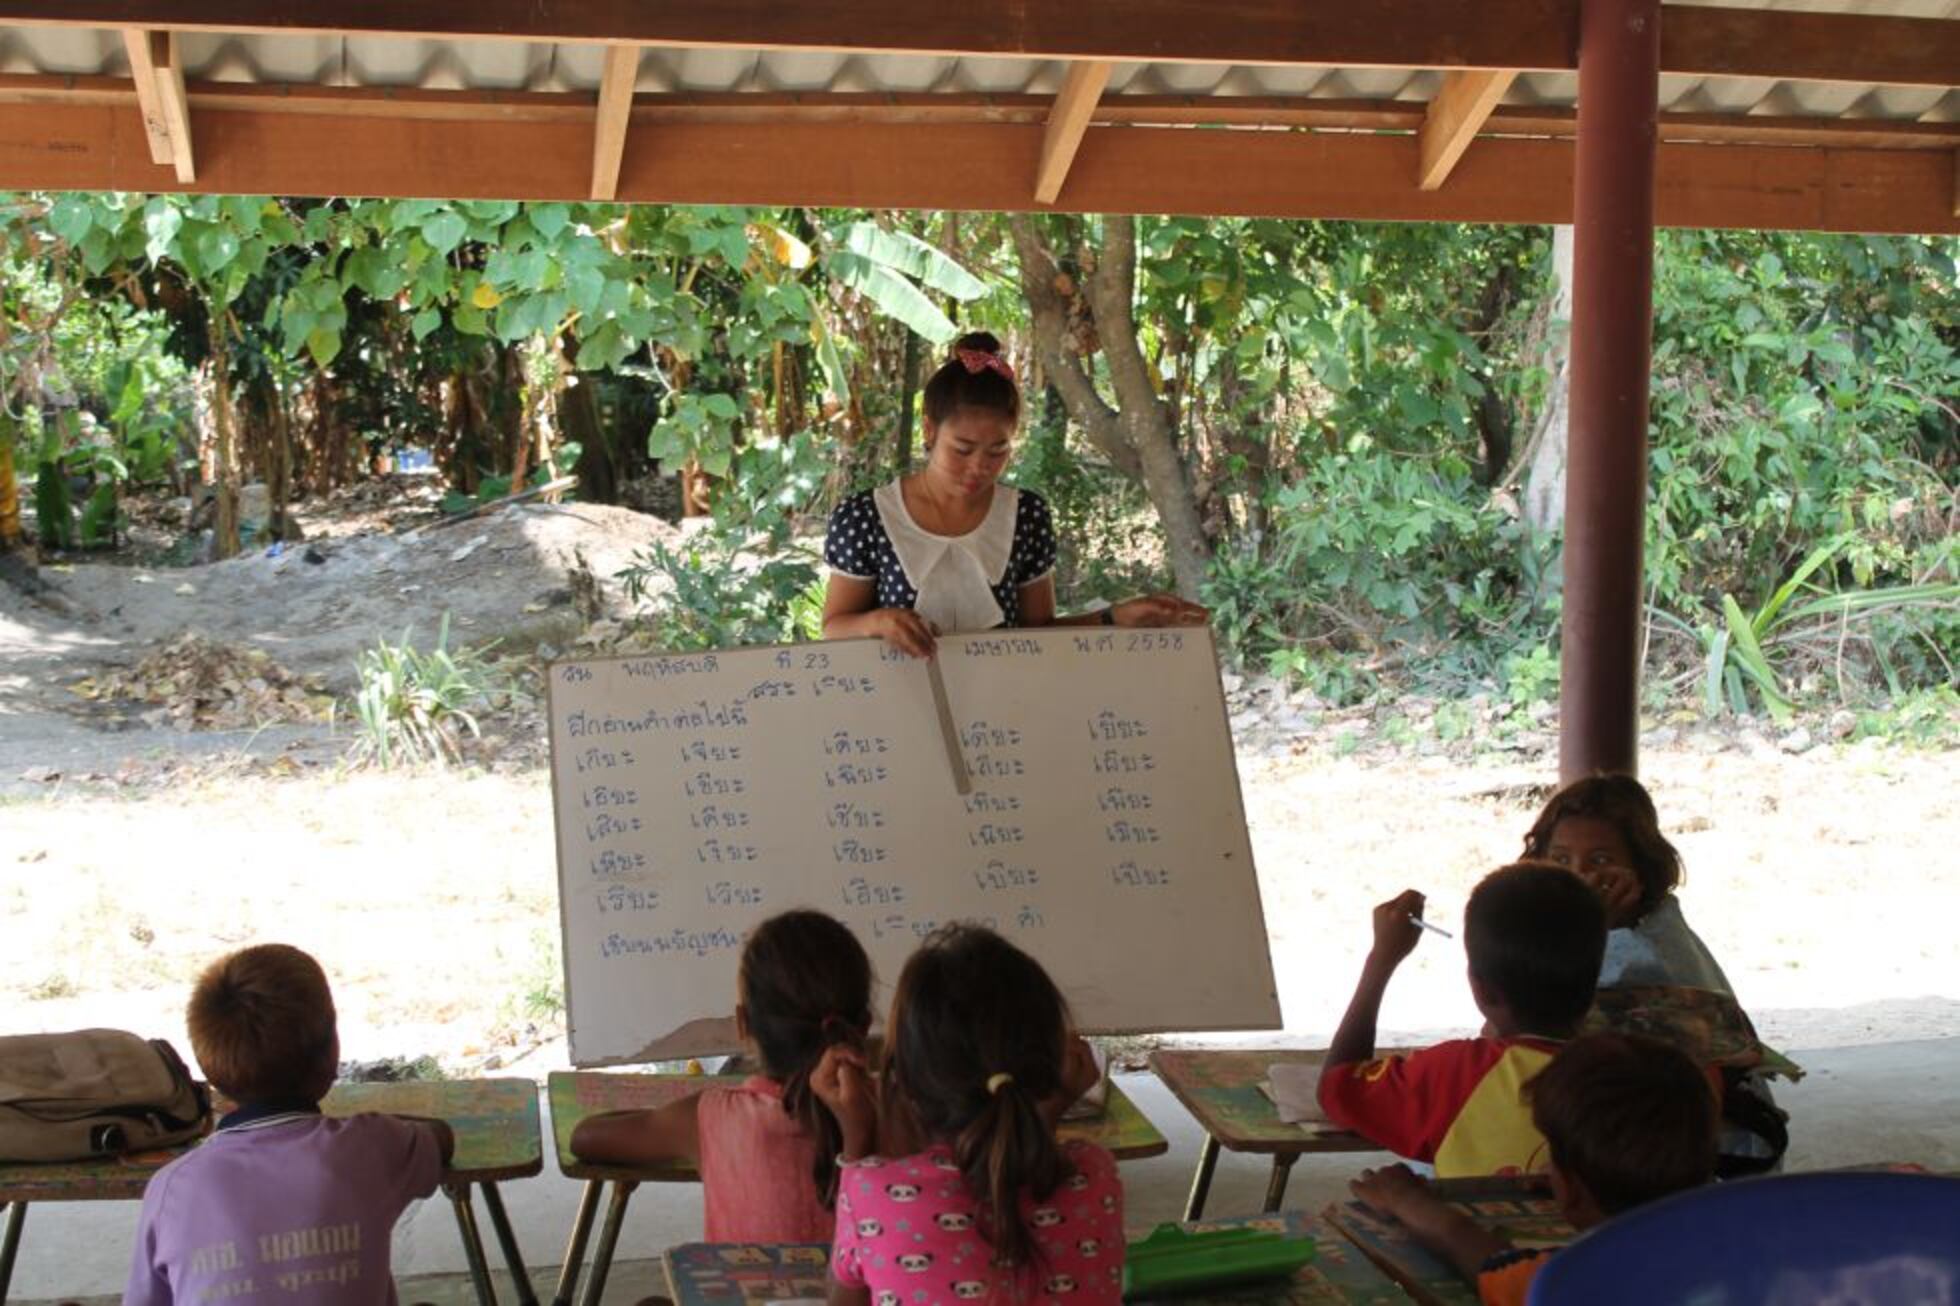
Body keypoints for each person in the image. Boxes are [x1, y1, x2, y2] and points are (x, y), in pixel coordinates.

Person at [821, 331, 1207, 657]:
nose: (979, 466)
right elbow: (834, 627)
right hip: (894, 715)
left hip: (1002, 714)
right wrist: (877, 622)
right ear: (929, 430)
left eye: (997, 451)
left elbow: (1037, 631)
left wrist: (1114, 618)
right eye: (962, 449)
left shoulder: (1026, 515)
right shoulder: (865, 518)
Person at [126, 943, 454, 1306]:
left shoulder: (169, 1189)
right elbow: (441, 1138)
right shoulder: (371, 1145)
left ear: (211, 1071)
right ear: (331, 1053)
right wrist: (374, 1126)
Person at [815, 924, 1119, 1306]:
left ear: (906, 1084)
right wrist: (1050, 1114)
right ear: (1052, 1066)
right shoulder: (1097, 1174)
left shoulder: (875, 1192)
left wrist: (856, 1141)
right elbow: (1023, 1177)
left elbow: (843, 1302)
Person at [1522, 773, 1786, 1174]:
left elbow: (1533, 1025)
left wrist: (1592, 929)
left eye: (1601, 861)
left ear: (1640, 871)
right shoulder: (1646, 924)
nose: (1579, 877)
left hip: (1705, 1166)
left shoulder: (1641, 956)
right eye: (1560, 860)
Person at [1348, 1031, 1719, 1306]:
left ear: (1572, 1192)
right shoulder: (1739, 1241)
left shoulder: (1570, 1282)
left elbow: (1486, 1259)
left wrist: (1403, 1197)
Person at [570, 909, 875, 1241]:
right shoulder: (901, 1117)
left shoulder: (710, 1115)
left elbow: (585, 1138)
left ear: (743, 1024)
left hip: (744, 1296)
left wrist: (657, 1116)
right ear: (863, 1026)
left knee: (652, 1299)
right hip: (875, 1295)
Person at [1317, 864, 1606, 1177]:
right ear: (1592, 988)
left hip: (1468, 1227)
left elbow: (1338, 1086)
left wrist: (1382, 959)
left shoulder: (1457, 1073)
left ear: (1483, 990)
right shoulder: (1631, 1073)